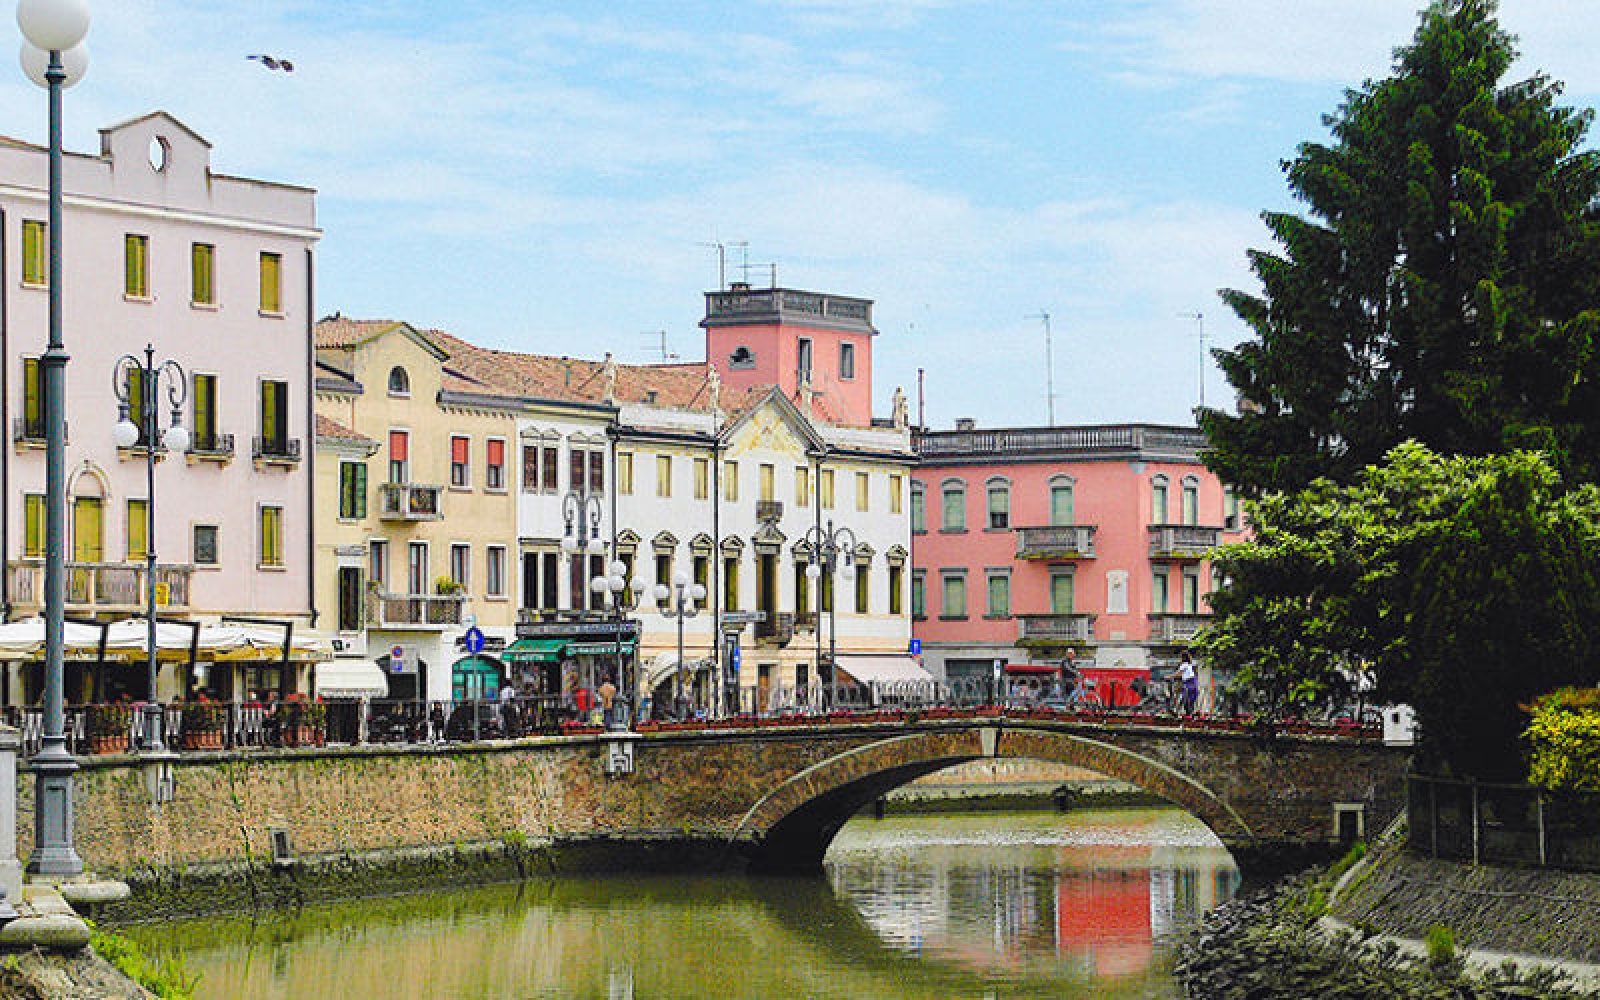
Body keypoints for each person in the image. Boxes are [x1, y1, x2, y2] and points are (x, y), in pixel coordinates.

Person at [1178, 651, 1199, 715]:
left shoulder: (1184, 665)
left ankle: (1187, 714)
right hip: (1194, 683)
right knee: (1190, 701)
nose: (1180, 659)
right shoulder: (1190, 665)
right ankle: (1190, 714)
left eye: (1180, 658)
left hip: (1189, 684)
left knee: (1185, 701)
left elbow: (1178, 674)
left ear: (1183, 658)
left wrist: (1168, 677)